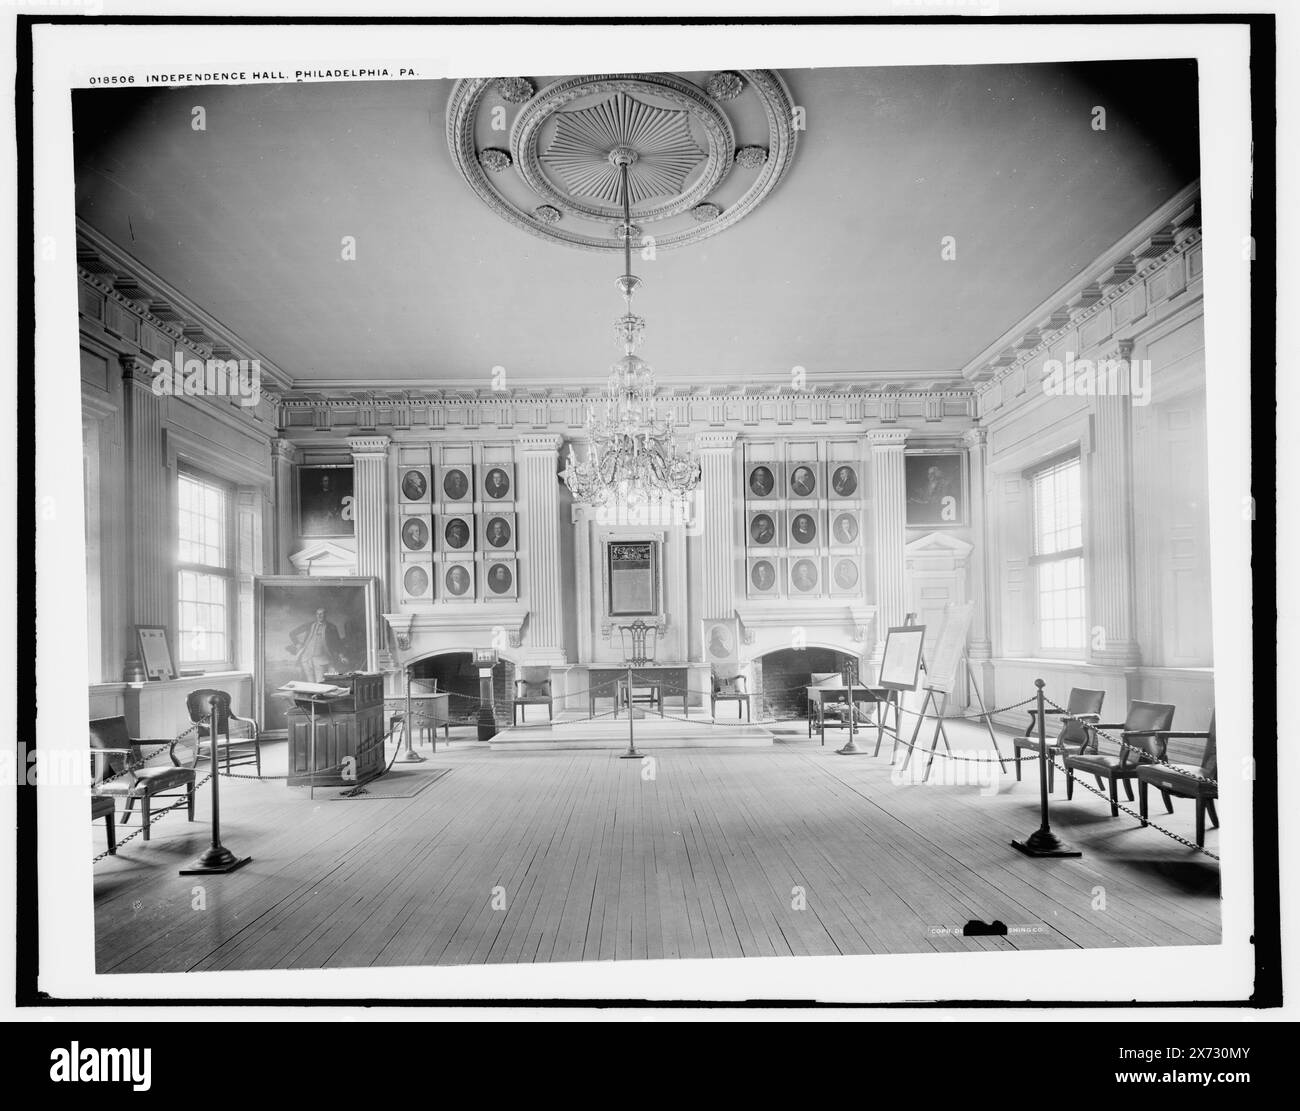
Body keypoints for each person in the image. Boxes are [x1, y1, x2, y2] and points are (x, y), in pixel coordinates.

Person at [288, 608, 346, 683]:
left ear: (325, 615)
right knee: (310, 682)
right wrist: (297, 644)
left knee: (320, 682)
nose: (319, 615)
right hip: (306, 658)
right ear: (316, 615)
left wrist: (342, 656)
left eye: (322, 613)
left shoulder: (332, 627)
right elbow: (292, 633)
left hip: (321, 659)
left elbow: (338, 643)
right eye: (318, 614)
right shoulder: (310, 625)